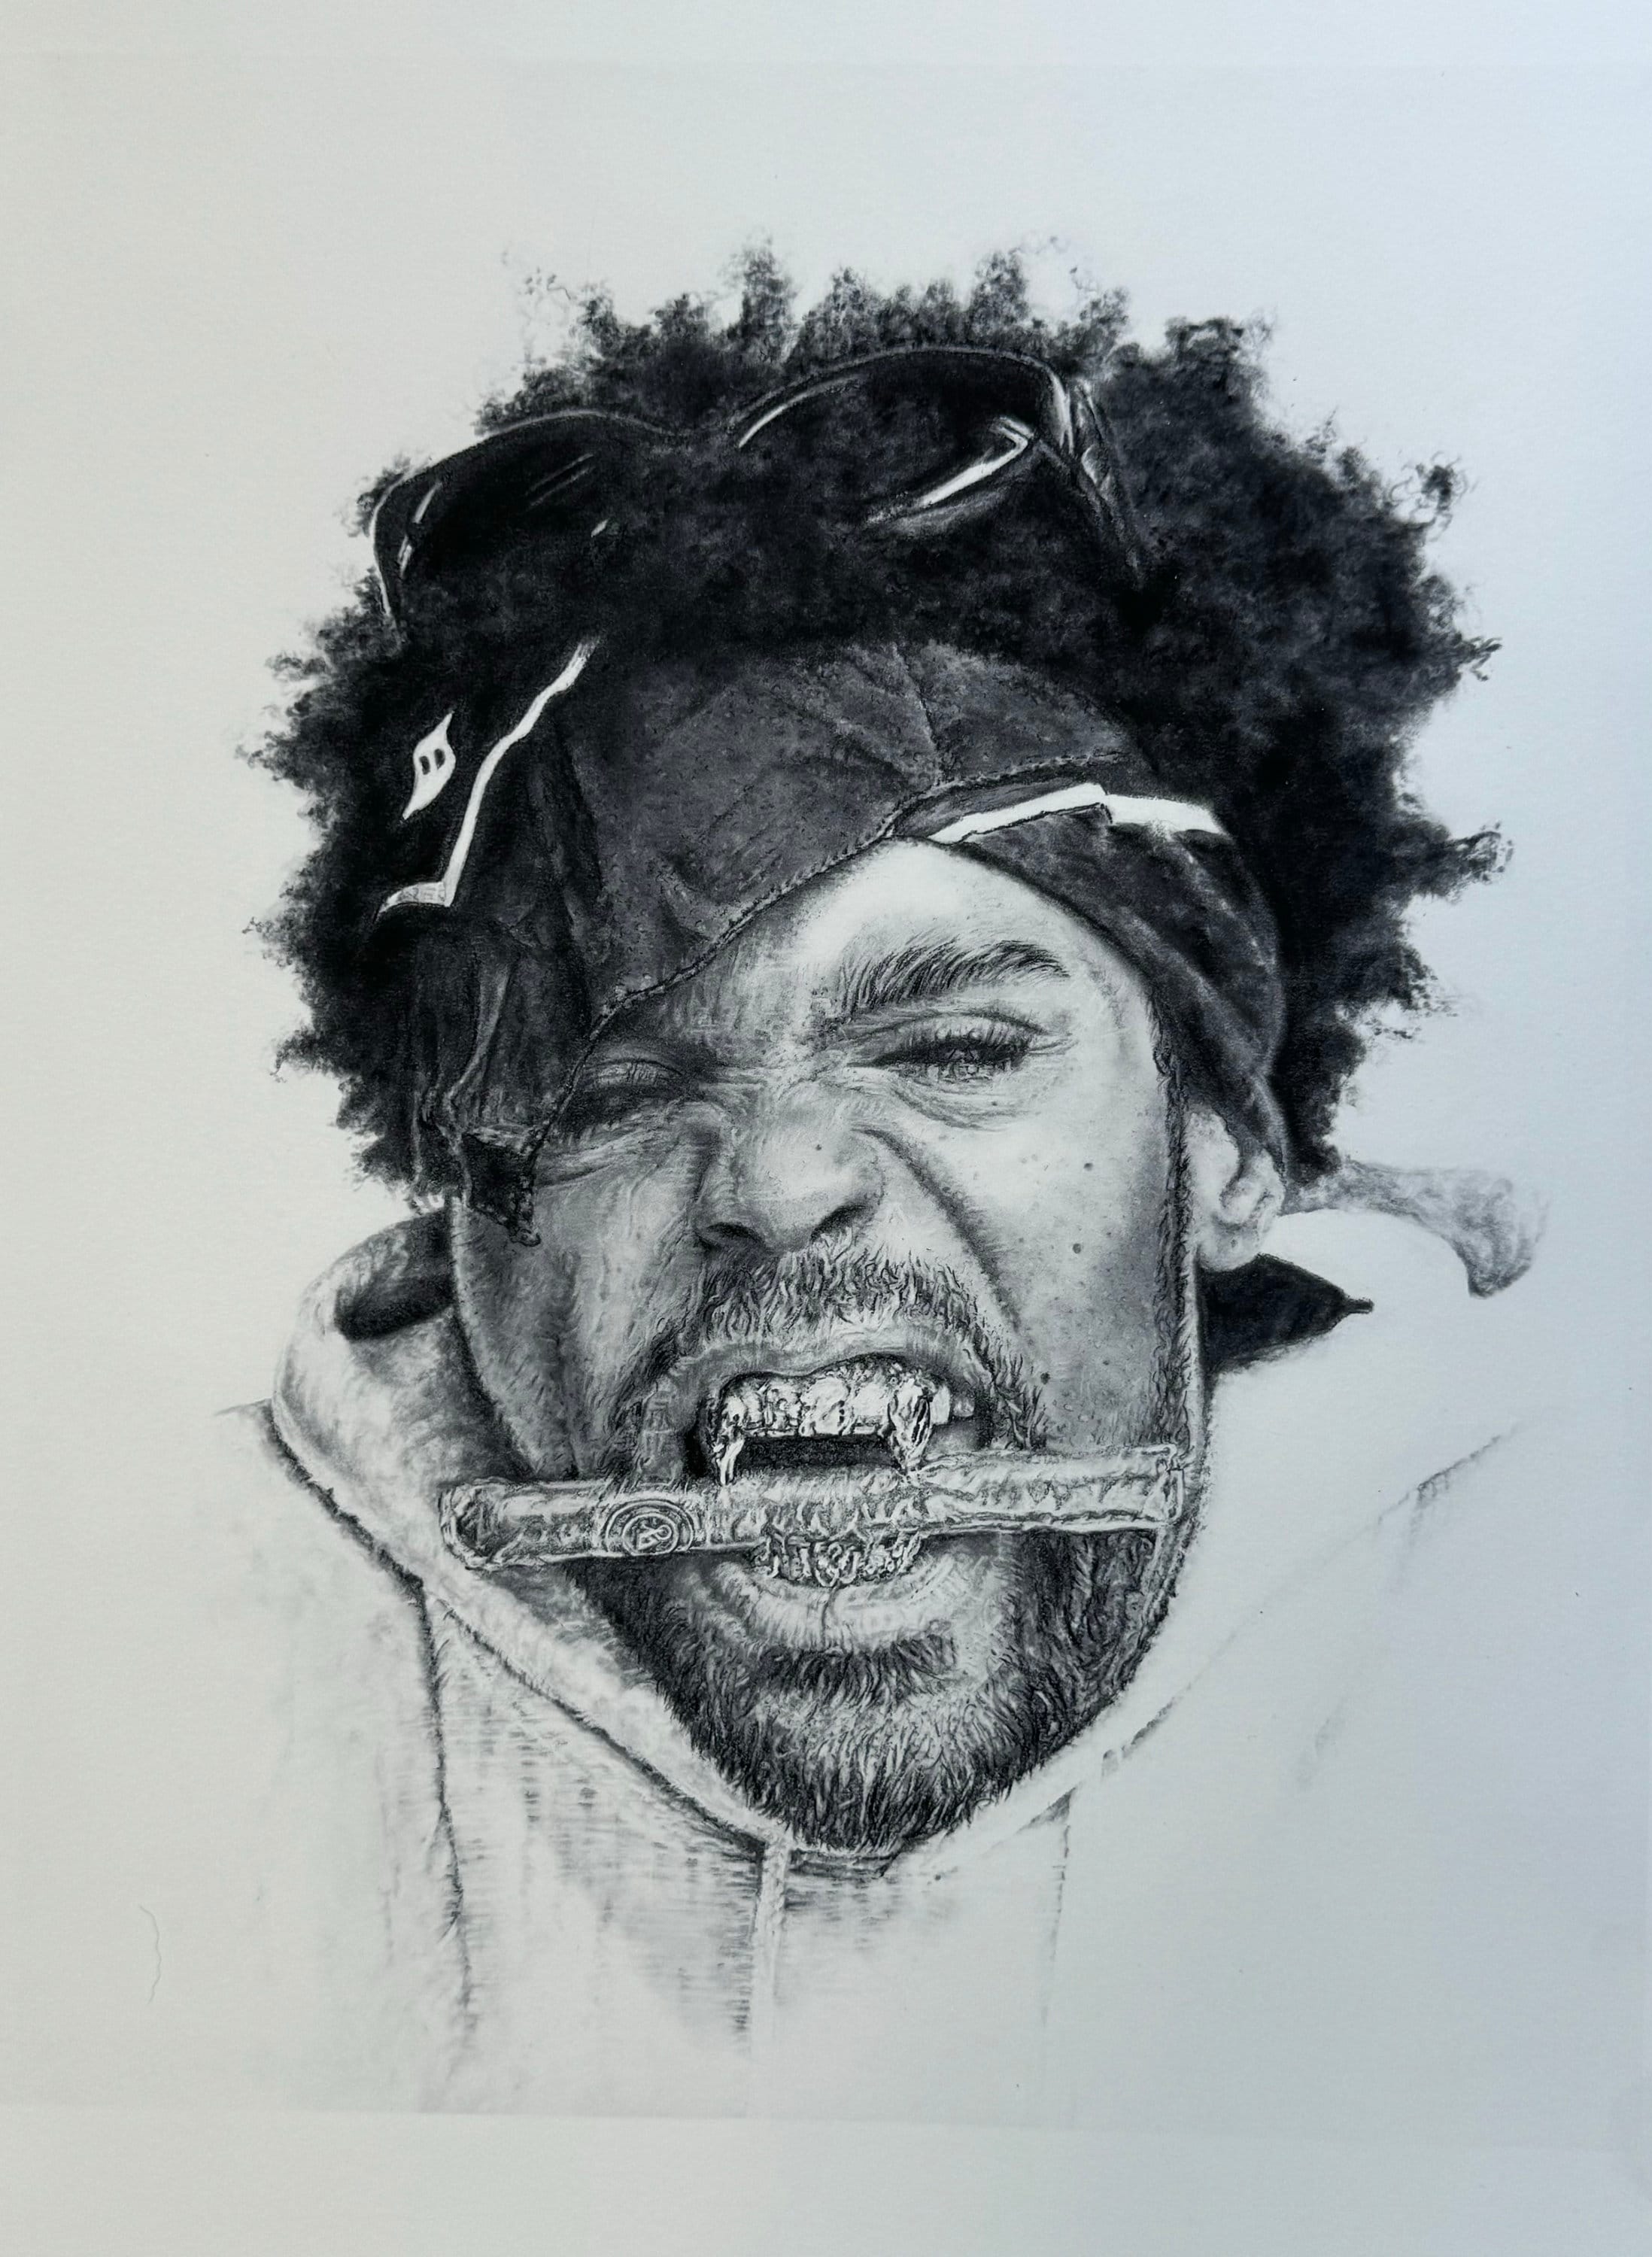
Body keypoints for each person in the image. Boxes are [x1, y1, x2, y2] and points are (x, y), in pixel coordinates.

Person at [195, 256, 1553, 2117]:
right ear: (455, 1199)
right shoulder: (126, 1665)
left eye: (955, 1051)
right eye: (605, 1091)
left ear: (1229, 1149)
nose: (778, 1179)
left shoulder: (1573, 1622)